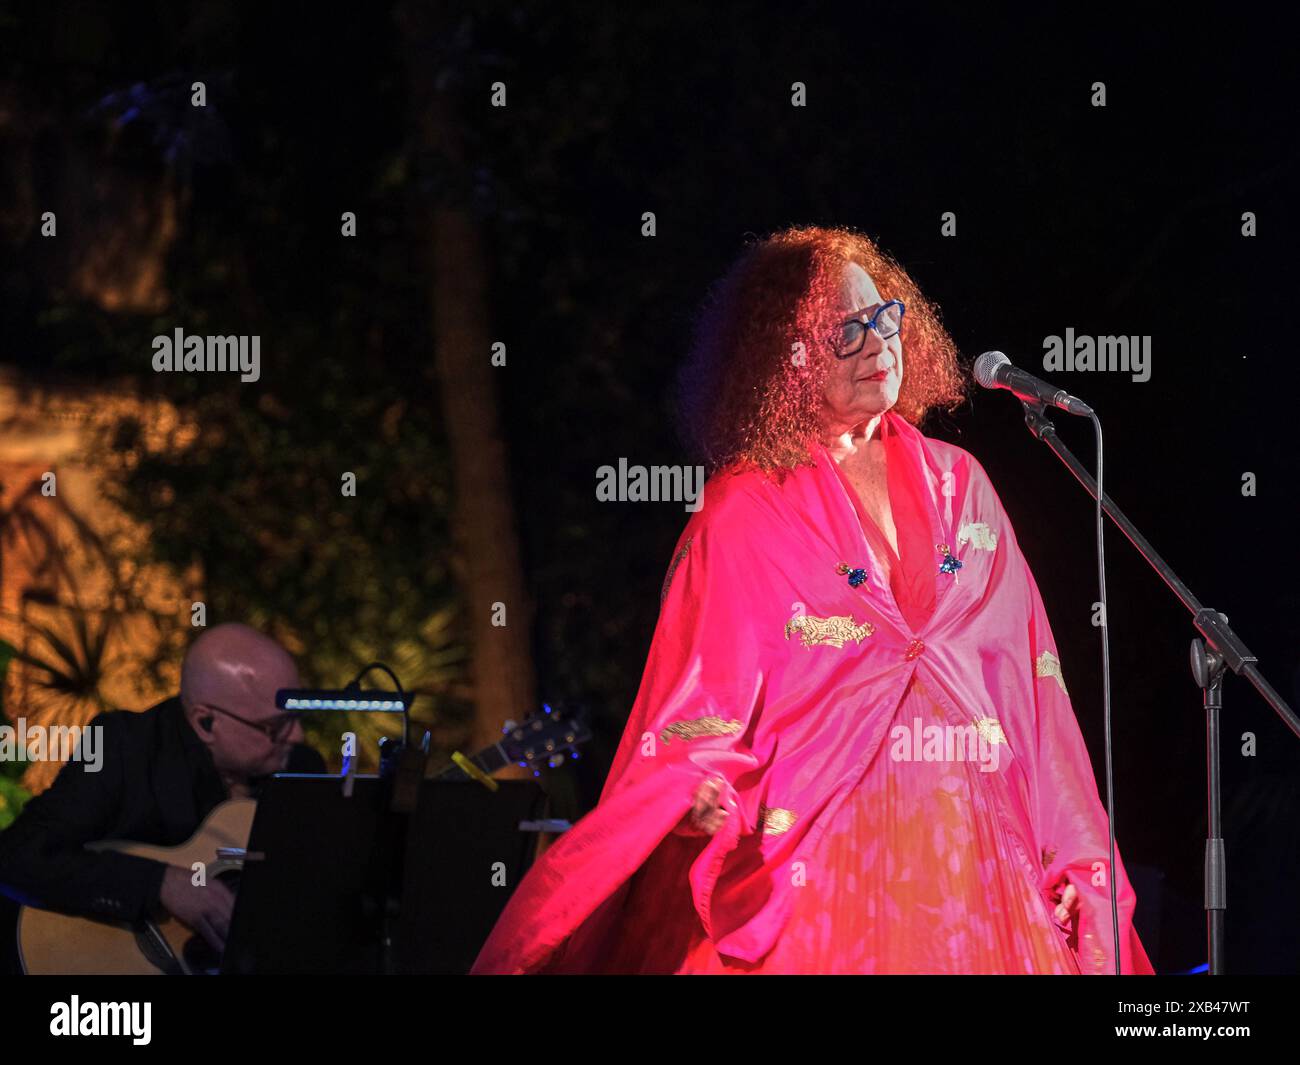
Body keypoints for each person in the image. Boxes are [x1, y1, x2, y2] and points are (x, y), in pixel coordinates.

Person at [472, 224, 1156, 975]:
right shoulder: (744, 508)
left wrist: (1074, 859)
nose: (875, 344)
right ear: (783, 362)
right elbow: (705, 700)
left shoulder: (964, 487)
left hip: (978, 879)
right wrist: (705, 795)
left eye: (883, 318)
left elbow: (1032, 694)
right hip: (817, 883)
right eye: (843, 333)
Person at [0, 622, 323, 959]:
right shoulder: (123, 748)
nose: (297, 735)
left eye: (298, 717)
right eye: (276, 725)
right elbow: (17, 855)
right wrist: (159, 883)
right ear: (206, 722)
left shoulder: (303, 771)